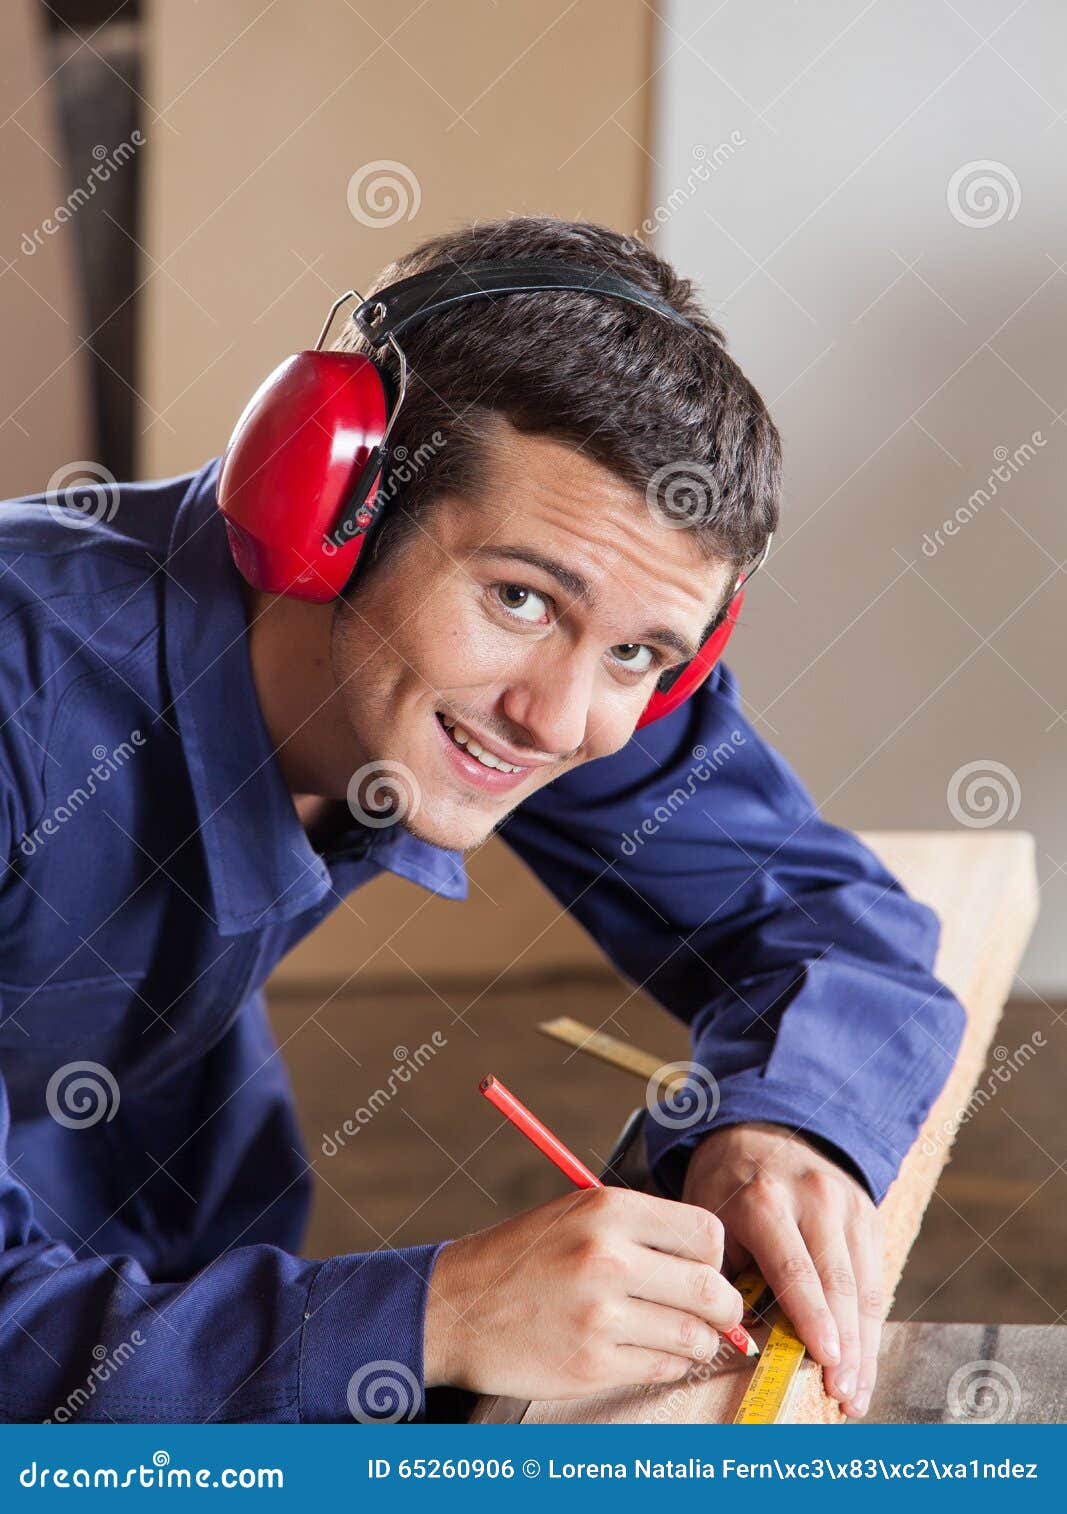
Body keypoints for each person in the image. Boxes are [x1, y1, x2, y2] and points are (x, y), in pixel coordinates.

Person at [0, 216, 963, 1424]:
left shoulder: (571, 658)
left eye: (639, 654)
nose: (557, 719)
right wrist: (435, 1315)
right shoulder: (19, 702)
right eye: (515, 597)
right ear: (328, 502)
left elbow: (830, 923)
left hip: (148, 1221)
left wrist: (790, 1122)